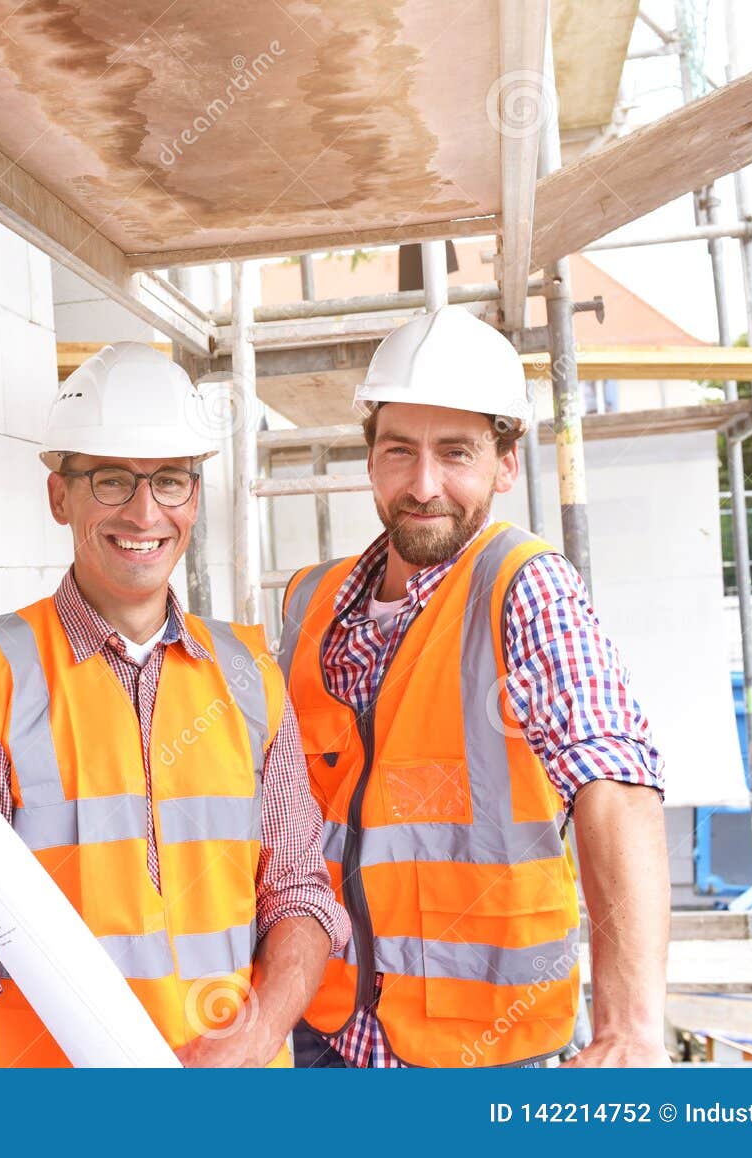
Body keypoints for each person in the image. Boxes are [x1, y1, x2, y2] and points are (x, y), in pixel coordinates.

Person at [0, 341, 347, 1067]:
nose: (145, 511)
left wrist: (256, 1036)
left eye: (170, 480)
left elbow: (298, 894)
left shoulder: (251, 677)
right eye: (112, 480)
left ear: (195, 497)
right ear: (59, 496)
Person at [279, 307, 669, 1068]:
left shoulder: (523, 588)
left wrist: (630, 1027)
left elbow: (614, 780)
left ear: (506, 463)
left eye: (455, 453)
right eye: (400, 452)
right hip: (324, 1029)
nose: (424, 486)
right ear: (370, 459)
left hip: (481, 1054)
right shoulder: (308, 600)